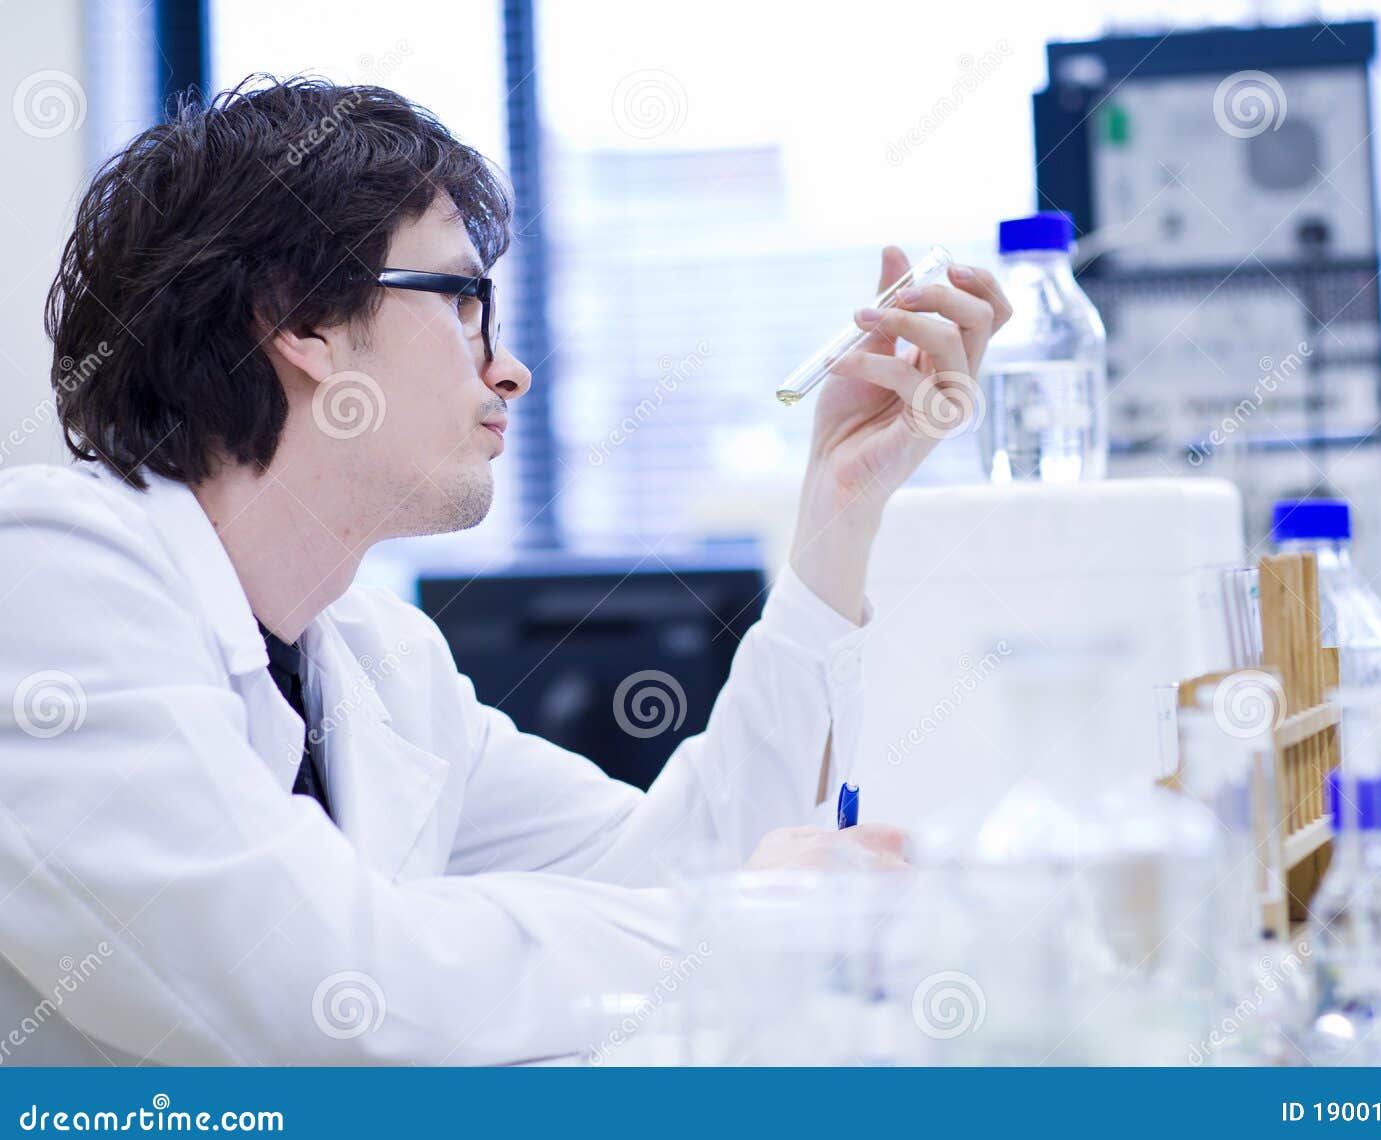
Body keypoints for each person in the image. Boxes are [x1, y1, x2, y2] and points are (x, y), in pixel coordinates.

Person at [0, 76, 1010, 1064]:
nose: (507, 368)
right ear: (296, 320)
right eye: (460, 298)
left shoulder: (378, 659)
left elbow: (675, 867)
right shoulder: (50, 573)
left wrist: (837, 514)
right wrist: (732, 921)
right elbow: (319, 990)